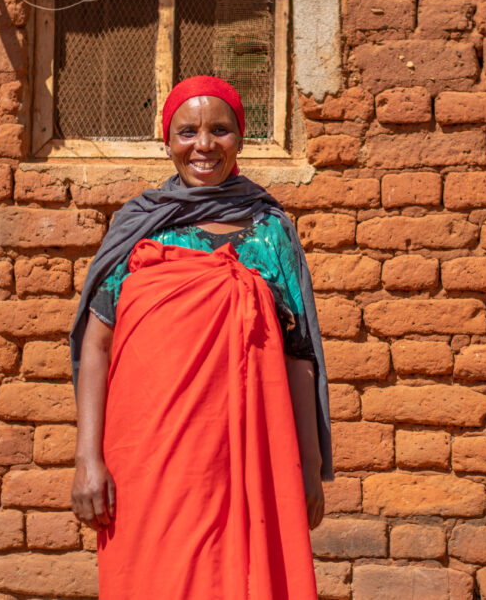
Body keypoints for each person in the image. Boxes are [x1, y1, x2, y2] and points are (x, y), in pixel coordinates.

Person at [68, 76, 333, 599]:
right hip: (150, 459)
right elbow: (96, 346)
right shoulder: (139, 228)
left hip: (246, 456)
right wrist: (87, 460)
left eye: (220, 130)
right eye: (187, 131)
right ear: (168, 140)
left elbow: (298, 356)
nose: (204, 145)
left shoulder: (268, 229)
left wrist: (309, 465)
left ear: (241, 139)